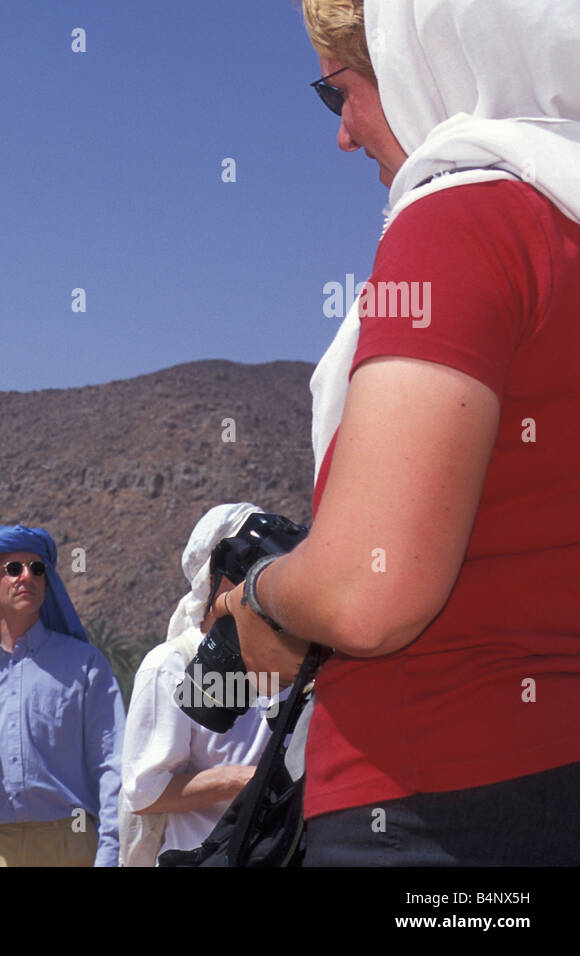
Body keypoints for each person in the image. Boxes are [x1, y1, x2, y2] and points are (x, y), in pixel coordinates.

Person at [213, 0, 580, 864]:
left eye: (341, 91)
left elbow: (368, 594)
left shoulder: (465, 220)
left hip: (436, 802)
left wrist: (262, 597)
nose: (343, 134)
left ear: (427, 60)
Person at [0, 525, 124, 866]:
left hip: (69, 846)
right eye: (13, 569)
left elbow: (112, 765)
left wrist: (110, 852)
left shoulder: (85, 665)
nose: (28, 576)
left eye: (37, 568)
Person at [120, 503, 282, 866]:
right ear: (217, 576)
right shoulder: (172, 666)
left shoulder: (293, 662)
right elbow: (144, 792)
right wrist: (240, 780)